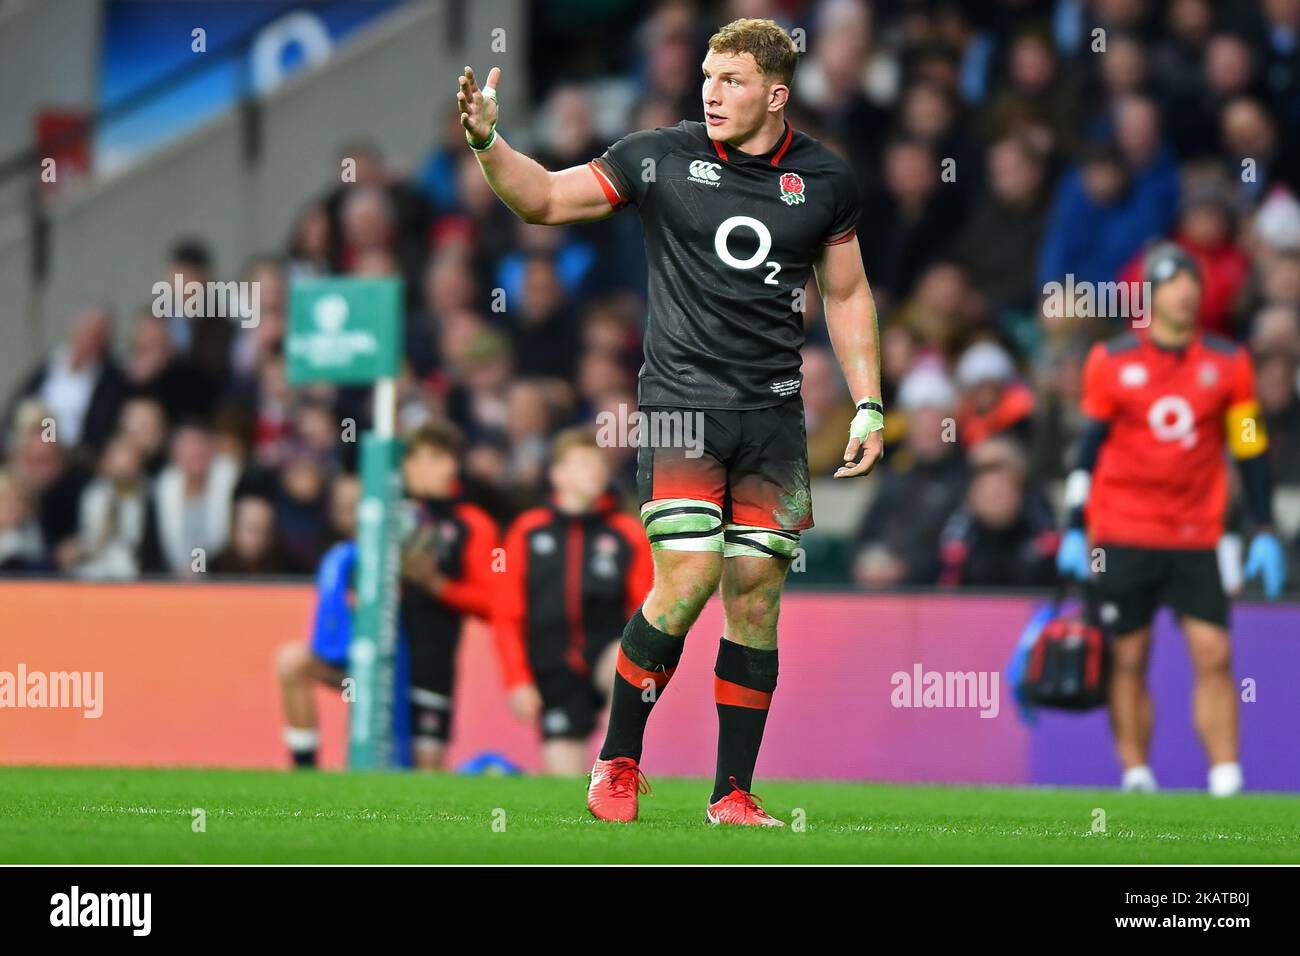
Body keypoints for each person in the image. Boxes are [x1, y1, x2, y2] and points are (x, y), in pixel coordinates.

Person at [458, 16, 885, 825]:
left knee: (755, 595)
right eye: (707, 78)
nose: (712, 94)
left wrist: (868, 401)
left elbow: (848, 293)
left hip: (773, 417)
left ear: (776, 94)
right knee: (687, 579)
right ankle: (617, 761)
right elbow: (544, 199)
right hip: (682, 408)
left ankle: (731, 794)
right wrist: (489, 143)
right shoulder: (660, 155)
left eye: (731, 81)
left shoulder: (826, 181)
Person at [1057, 243, 1287, 797]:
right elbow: (1087, 452)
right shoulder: (1110, 361)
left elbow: (1249, 449)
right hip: (1122, 529)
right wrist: (1073, 523)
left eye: (1193, 284)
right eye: (1173, 284)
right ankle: (1136, 775)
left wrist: (1263, 527)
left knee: (1215, 652)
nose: (1185, 293)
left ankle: (1226, 778)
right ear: (1151, 295)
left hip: (1196, 533)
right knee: (1129, 656)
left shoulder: (1230, 363)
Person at [493, 429, 652, 775]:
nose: (594, 471)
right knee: (564, 780)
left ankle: (617, 758)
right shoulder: (527, 531)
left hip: (604, 652)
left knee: (622, 660)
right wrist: (517, 680)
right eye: (582, 463)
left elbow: (646, 611)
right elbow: (506, 614)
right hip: (552, 668)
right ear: (558, 475)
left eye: (597, 464)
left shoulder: (626, 533)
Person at [396, 421, 499, 770]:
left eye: (447, 458)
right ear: (407, 464)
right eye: (431, 458)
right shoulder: (384, 511)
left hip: (433, 662)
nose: (445, 468)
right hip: (377, 659)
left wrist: (436, 584)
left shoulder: (471, 523)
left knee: (427, 770)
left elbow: (491, 602)